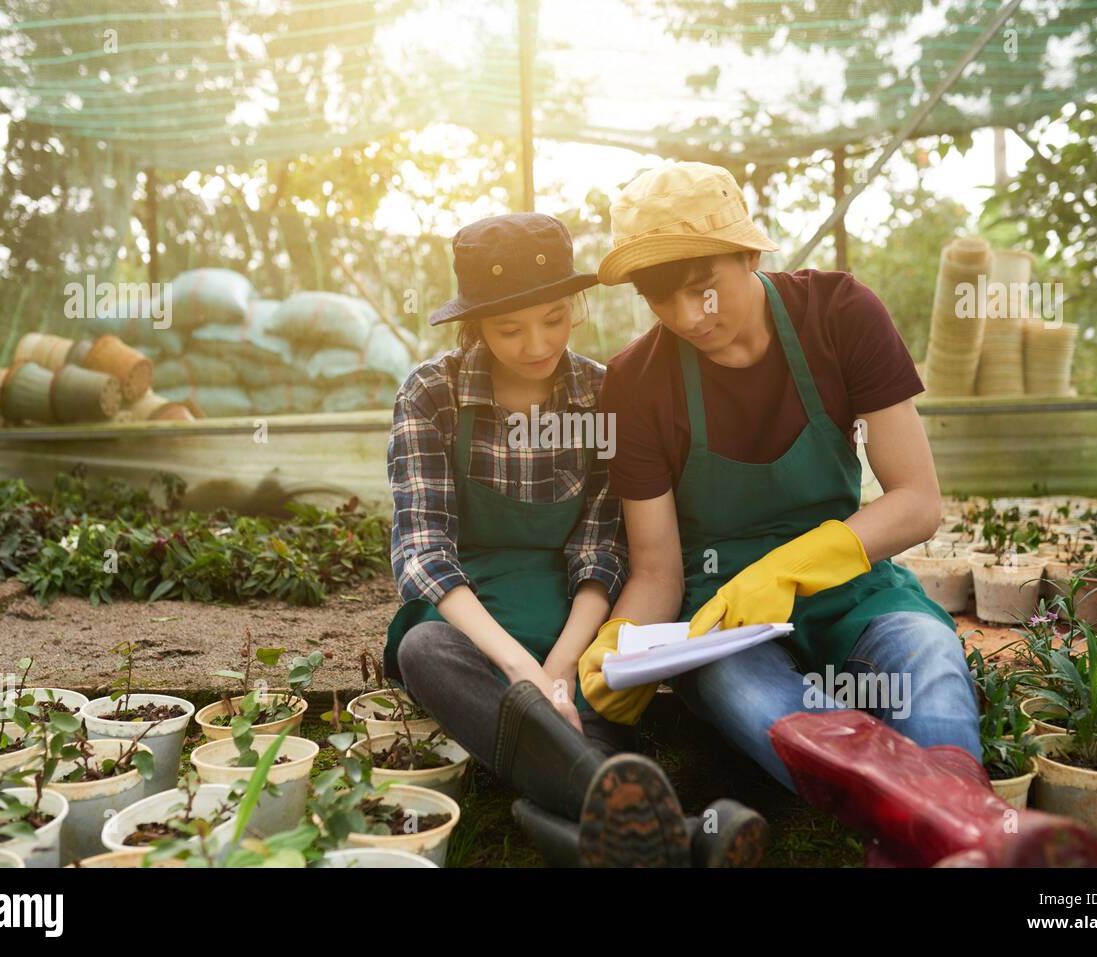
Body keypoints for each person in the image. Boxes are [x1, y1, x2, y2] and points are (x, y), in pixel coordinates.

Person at [578, 161, 983, 792]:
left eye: (702, 285)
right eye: (660, 297)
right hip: (722, 619)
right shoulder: (635, 383)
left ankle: (947, 825)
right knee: (749, 696)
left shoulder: (839, 314)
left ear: (748, 255)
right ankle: (942, 820)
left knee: (929, 658)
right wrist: (621, 643)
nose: (688, 316)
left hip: (853, 588)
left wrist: (786, 570)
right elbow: (658, 569)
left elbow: (916, 501)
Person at [384, 211, 768, 866]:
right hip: (472, 628)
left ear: (577, 305)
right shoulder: (432, 393)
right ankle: (675, 831)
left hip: (575, 621)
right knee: (423, 650)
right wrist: (521, 670)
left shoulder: (600, 393)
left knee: (580, 702)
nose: (537, 342)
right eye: (510, 328)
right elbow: (423, 550)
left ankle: (605, 831)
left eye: (555, 318)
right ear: (475, 323)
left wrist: (561, 667)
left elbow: (602, 549)